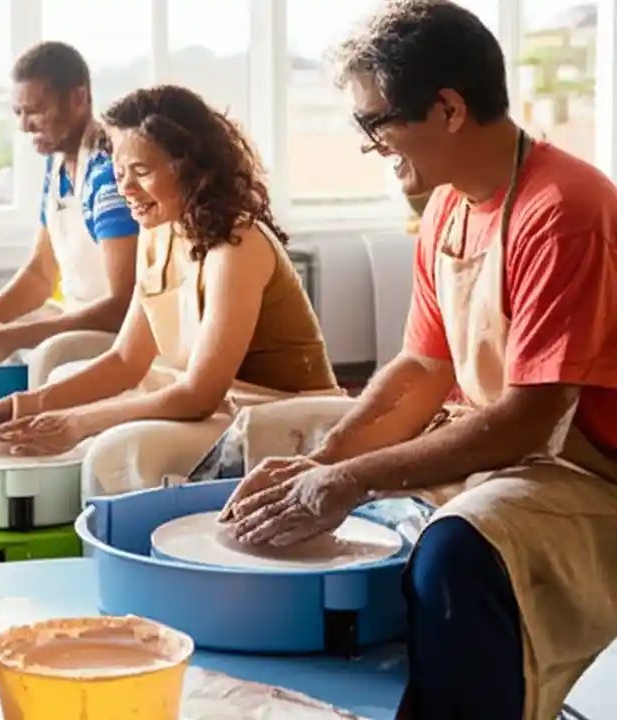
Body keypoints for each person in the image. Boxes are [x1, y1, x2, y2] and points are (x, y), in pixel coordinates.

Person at [215, 2, 617, 718]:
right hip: (507, 449)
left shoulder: (565, 207)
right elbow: (421, 370)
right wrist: (325, 462)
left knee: (457, 550)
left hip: (588, 474)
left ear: (449, 109)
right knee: (273, 461)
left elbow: (532, 421)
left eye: (376, 123)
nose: (370, 145)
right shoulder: (447, 210)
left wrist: (348, 482)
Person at [0, 85, 340, 500]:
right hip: (222, 400)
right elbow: (125, 360)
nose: (126, 189)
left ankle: (114, 550)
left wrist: (78, 423)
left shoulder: (237, 244)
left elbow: (198, 395)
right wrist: (22, 405)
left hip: (284, 415)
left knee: (120, 447)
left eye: (141, 172)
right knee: (64, 382)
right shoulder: (157, 233)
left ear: (190, 167)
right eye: (120, 173)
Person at [0, 41, 138, 385]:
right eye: (18, 113)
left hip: (117, 330)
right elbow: (40, 273)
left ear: (79, 98)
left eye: (36, 110)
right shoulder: (56, 165)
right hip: (76, 312)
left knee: (41, 351)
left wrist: (16, 336)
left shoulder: (107, 171)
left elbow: (123, 305)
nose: (25, 126)